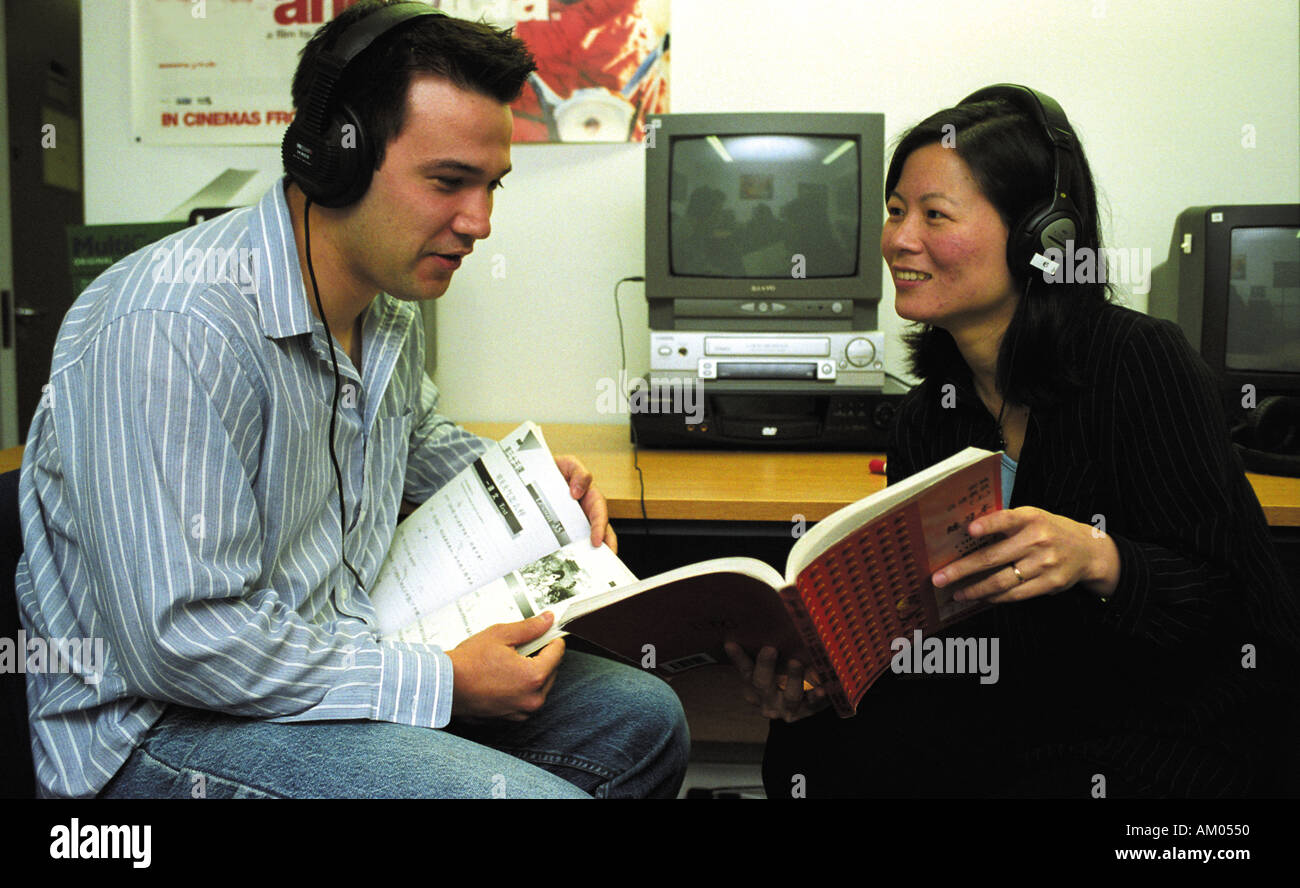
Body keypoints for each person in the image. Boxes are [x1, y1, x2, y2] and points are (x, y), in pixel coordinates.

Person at [16, 0, 688, 799]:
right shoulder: (170, 324)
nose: (480, 223)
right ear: (330, 156)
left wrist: (540, 488)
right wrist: (438, 682)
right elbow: (183, 640)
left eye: (491, 185)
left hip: (331, 655)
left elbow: (417, 439)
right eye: (449, 182)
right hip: (162, 724)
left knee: (645, 721)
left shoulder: (382, 311)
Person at [727, 84, 1300, 798]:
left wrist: (1101, 558)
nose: (900, 239)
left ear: (1042, 238)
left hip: (1168, 715)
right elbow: (931, 630)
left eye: (935, 215)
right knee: (811, 749)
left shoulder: (1140, 361)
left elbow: (1237, 604)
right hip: (1017, 711)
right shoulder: (929, 416)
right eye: (896, 210)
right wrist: (821, 680)